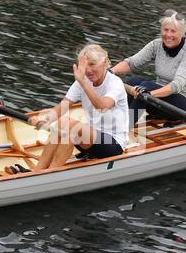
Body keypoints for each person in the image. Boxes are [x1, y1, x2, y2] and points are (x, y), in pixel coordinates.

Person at [27, 44, 130, 172]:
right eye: (84, 66)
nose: (88, 70)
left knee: (71, 125)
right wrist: (45, 121)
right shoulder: (82, 81)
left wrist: (84, 83)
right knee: (63, 121)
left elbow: (101, 106)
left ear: (104, 62)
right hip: (90, 141)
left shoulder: (115, 83)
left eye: (92, 64)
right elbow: (63, 106)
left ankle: (51, 172)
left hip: (114, 144)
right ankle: (38, 170)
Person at [111, 9, 186, 123]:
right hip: (160, 99)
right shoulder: (156, 45)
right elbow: (132, 63)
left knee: (144, 88)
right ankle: (116, 120)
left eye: (173, 31)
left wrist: (149, 94)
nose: (168, 35)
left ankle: (124, 129)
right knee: (133, 81)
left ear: (182, 33)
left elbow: (176, 86)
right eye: (165, 30)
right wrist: (111, 71)